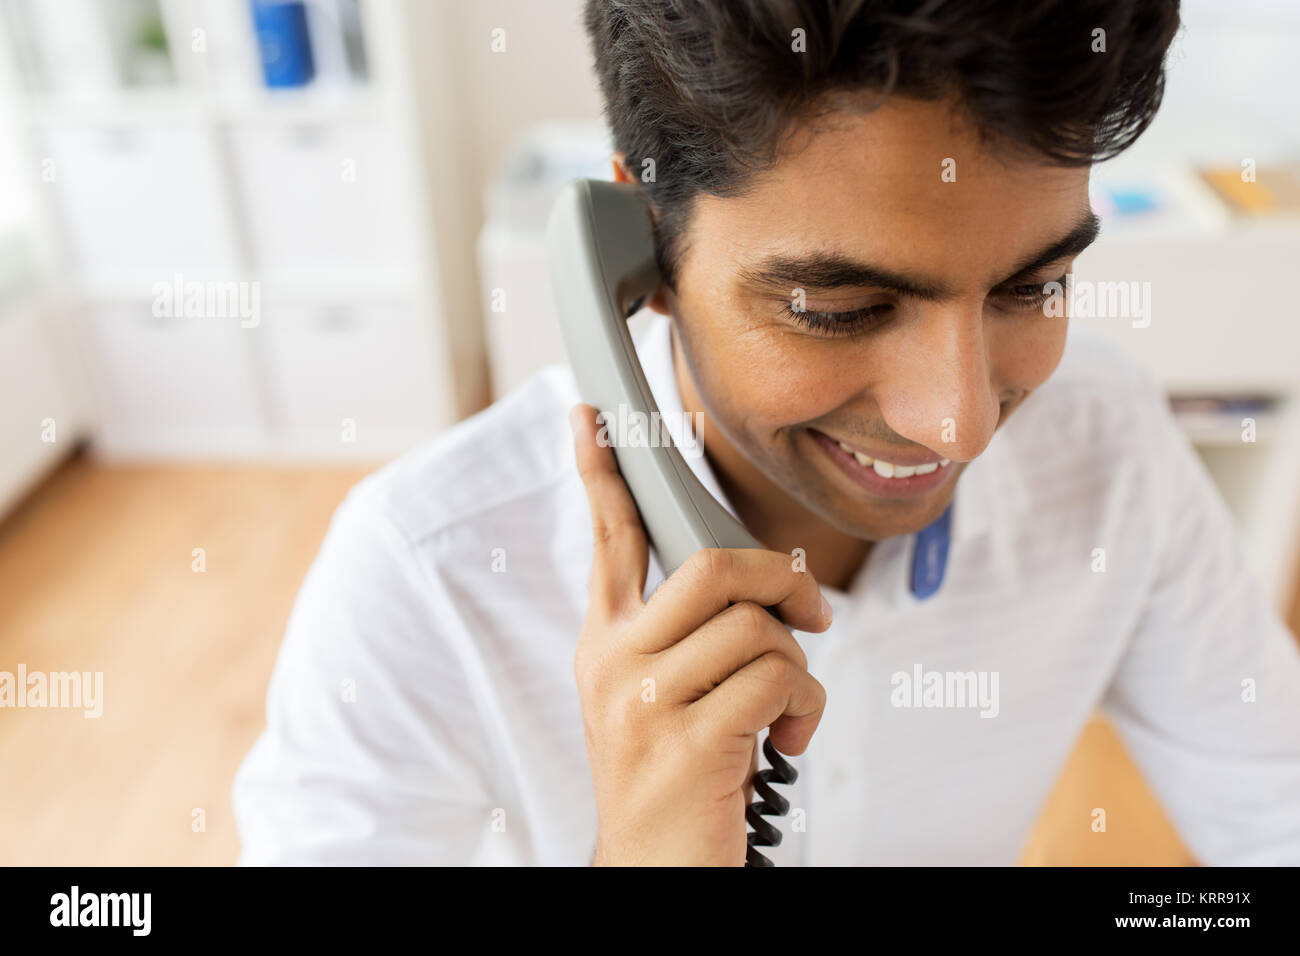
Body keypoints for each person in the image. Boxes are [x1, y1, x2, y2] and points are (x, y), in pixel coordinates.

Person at [232, 0, 1300, 865]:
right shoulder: (424, 571)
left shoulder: (1110, 450)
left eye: (1034, 286)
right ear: (636, 246)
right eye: (836, 309)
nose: (961, 421)